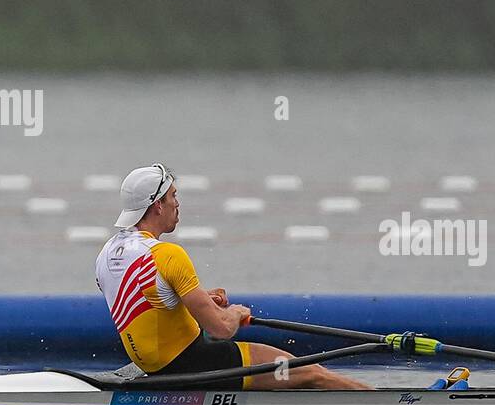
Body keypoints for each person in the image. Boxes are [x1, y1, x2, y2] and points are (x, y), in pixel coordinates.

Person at [94, 163, 370, 390]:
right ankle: (384, 403)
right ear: (157, 206)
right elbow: (221, 330)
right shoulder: (168, 255)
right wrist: (235, 314)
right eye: (173, 196)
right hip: (197, 361)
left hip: (154, 363)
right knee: (312, 374)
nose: (178, 204)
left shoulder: (106, 254)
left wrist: (201, 298)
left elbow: (149, 303)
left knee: (299, 369)